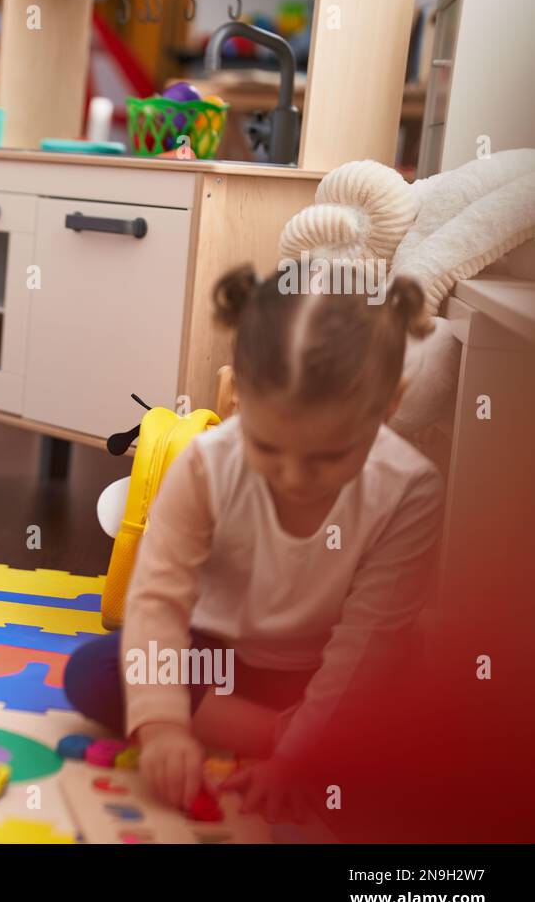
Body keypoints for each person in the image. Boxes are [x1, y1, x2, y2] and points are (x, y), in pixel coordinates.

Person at [63, 266, 444, 822]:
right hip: (222, 661)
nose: (293, 477)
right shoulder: (205, 462)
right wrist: (163, 726)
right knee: (96, 671)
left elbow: (366, 646)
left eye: (328, 457)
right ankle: (291, 732)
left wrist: (299, 758)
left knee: (433, 704)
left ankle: (312, 736)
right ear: (241, 392)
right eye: (268, 447)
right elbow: (158, 600)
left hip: (331, 670)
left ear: (388, 405)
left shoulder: (410, 488)